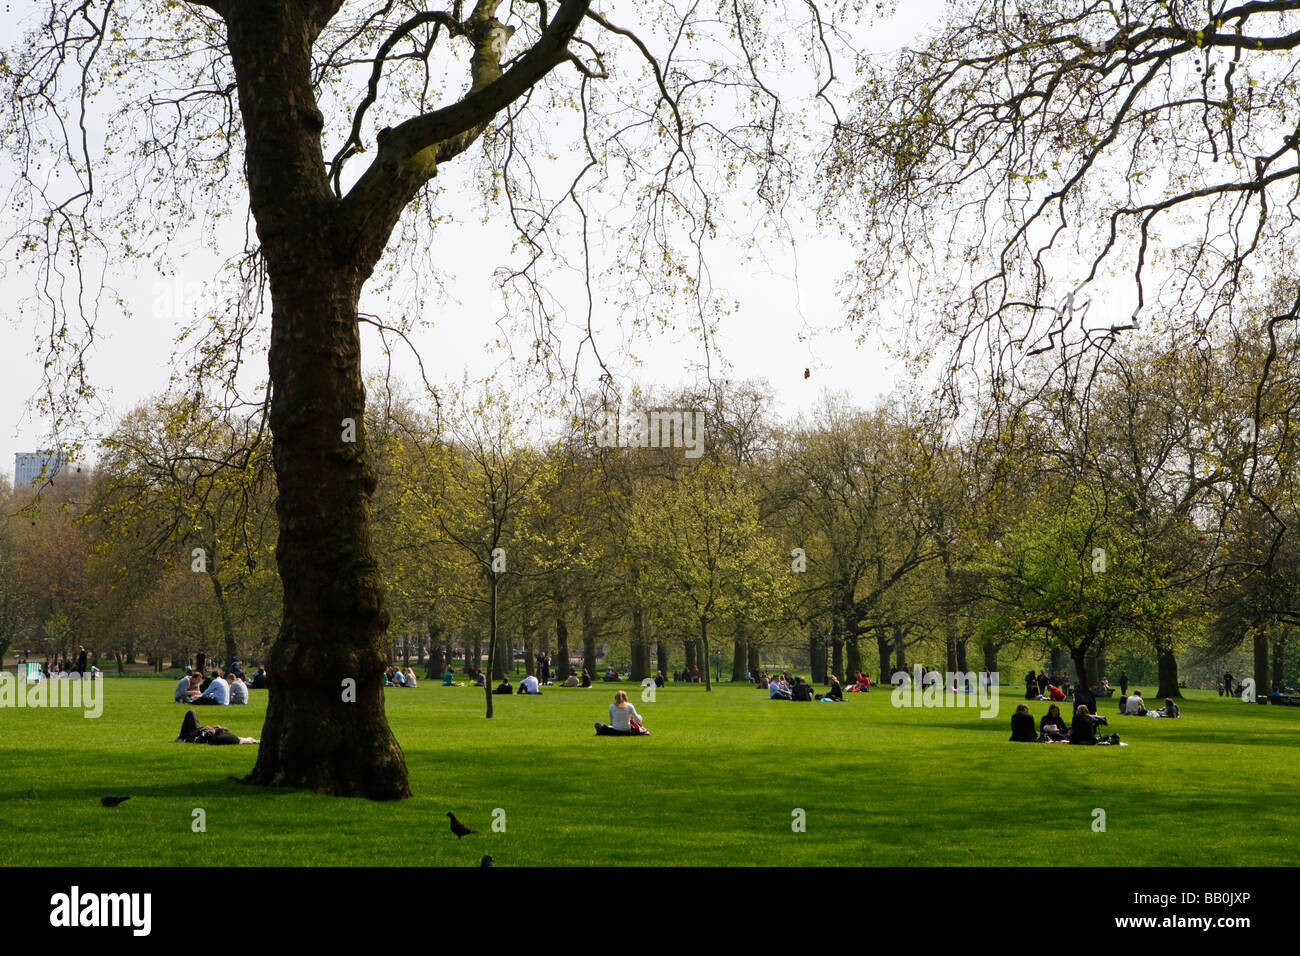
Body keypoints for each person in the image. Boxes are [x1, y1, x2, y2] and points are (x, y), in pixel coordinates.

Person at [175, 710, 257, 745]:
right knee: (191, 715)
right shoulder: (229, 736)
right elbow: (243, 739)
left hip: (194, 734)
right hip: (200, 732)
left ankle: (181, 737)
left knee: (191, 713)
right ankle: (181, 736)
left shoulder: (209, 734)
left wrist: (202, 730)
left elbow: (196, 740)